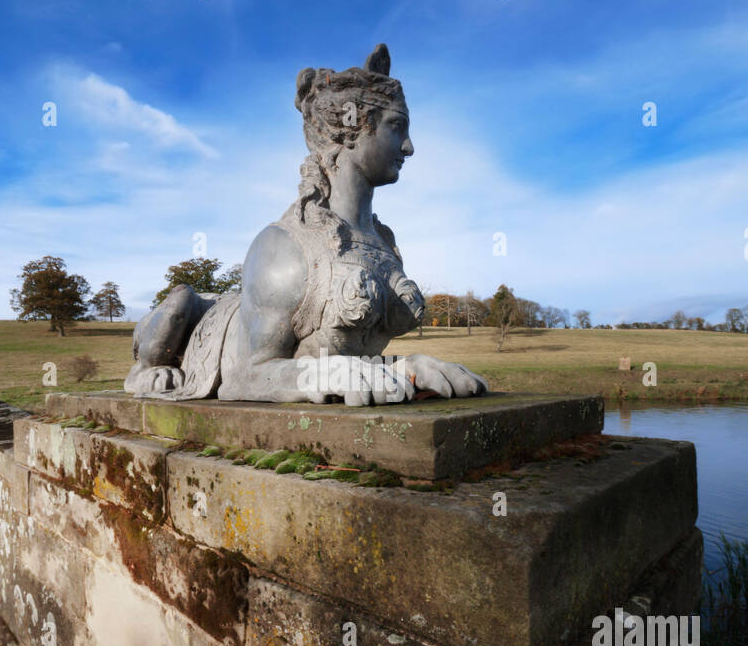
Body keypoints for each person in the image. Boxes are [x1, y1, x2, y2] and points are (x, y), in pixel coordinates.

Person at [125, 44, 487, 406]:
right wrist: (326, 374)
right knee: (182, 301)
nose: (408, 147)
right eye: (397, 127)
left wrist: (409, 367)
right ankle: (145, 367)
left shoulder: (382, 246)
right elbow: (246, 376)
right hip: (199, 327)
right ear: (351, 130)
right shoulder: (282, 246)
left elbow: (351, 363)